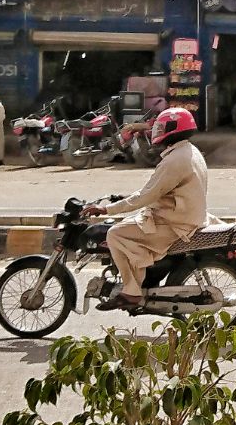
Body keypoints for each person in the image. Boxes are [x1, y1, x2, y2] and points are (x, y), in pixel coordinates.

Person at [85, 107, 208, 312]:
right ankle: (139, 279)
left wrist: (107, 210)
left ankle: (131, 291)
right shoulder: (188, 151)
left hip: (174, 223)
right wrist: (125, 199)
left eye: (161, 128)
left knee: (115, 234)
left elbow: (146, 196)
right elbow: (154, 190)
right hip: (180, 215)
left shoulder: (175, 160)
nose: (156, 132)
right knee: (129, 225)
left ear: (173, 130)